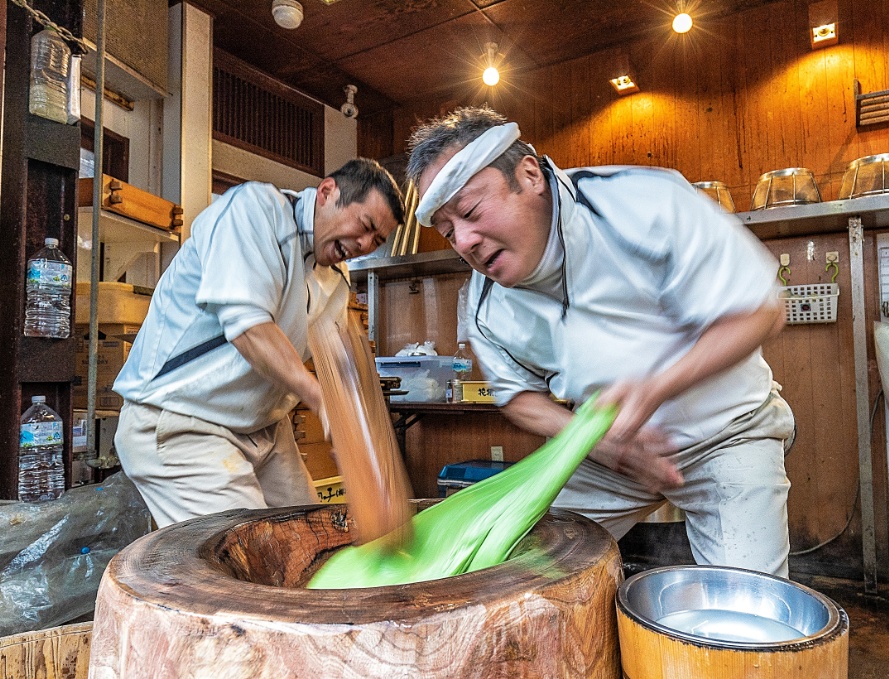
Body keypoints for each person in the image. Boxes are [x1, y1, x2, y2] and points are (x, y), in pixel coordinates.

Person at [406, 107, 795, 577]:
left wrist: (654, 387)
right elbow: (518, 397)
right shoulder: (485, 304)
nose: (465, 241)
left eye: (469, 211)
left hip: (729, 431)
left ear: (529, 174)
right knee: (516, 571)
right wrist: (598, 444)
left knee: (750, 609)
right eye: (448, 232)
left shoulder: (642, 202)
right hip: (608, 452)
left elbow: (761, 310)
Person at [112, 158, 404, 528]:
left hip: (263, 428)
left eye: (376, 241)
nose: (364, 244)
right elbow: (249, 330)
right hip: (183, 420)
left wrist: (358, 438)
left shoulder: (334, 275)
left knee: (313, 541)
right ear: (327, 192)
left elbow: (337, 358)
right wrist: (323, 403)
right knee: (247, 565)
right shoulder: (254, 212)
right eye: (364, 226)